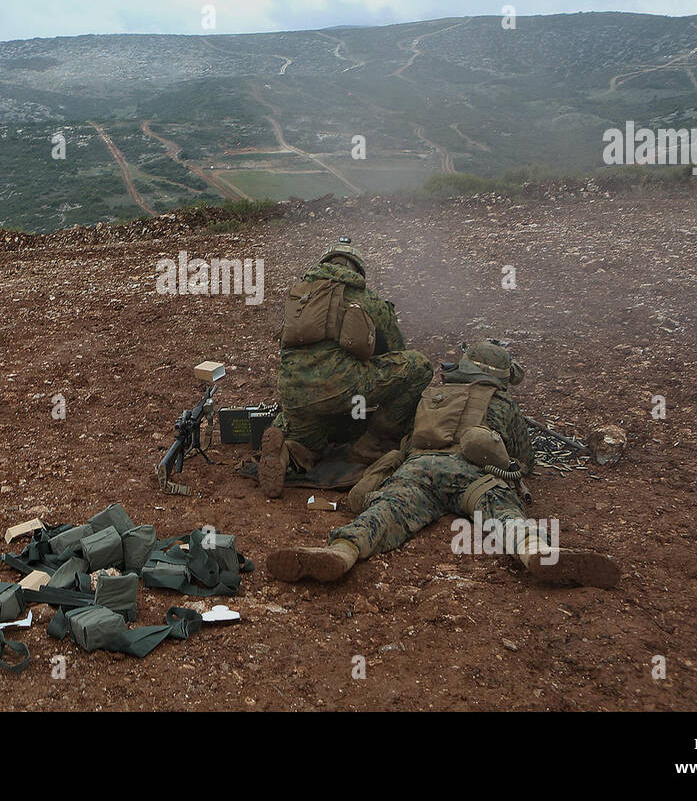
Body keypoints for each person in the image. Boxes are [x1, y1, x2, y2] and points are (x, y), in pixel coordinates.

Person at [266, 340, 621, 588]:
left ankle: (342, 552)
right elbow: (522, 462)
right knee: (503, 510)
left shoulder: (431, 396)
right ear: (501, 376)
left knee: (386, 510)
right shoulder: (503, 404)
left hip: (418, 470)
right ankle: (535, 552)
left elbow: (406, 438)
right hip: (472, 475)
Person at [258, 238, 432, 498]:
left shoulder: (299, 296)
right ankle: (371, 444)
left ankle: (286, 452)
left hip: (295, 393)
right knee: (419, 366)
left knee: (310, 446)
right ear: (357, 270)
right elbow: (397, 350)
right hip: (343, 385)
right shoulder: (363, 296)